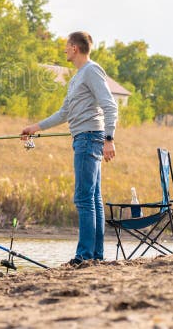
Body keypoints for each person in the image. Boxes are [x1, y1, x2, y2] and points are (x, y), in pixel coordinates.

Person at [21, 31, 118, 264]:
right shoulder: (77, 78)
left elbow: (110, 105)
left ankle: (84, 256)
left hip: (89, 138)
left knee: (84, 198)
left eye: (66, 45)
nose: (64, 49)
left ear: (75, 48)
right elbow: (64, 112)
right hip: (83, 138)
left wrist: (109, 138)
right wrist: (35, 127)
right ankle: (95, 256)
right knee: (93, 197)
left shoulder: (92, 70)